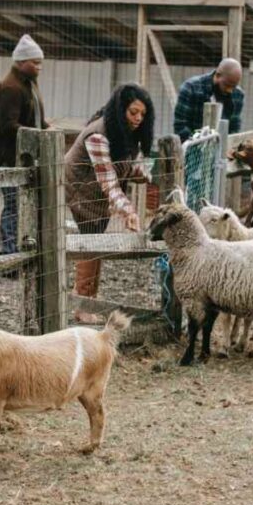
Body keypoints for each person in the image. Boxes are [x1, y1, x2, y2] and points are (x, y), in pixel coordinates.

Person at [64, 83, 154, 324]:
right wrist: (128, 211)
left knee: (96, 243)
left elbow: (122, 164)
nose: (138, 119)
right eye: (133, 112)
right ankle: (82, 306)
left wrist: (140, 173)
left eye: (143, 114)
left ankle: (89, 299)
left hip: (97, 193)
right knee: (91, 243)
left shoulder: (124, 132)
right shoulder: (98, 135)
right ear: (120, 109)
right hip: (81, 190)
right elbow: (109, 181)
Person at [0, 34, 46, 255]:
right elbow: (8, 125)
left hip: (23, 156)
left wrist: (46, 128)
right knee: (13, 204)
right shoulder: (11, 88)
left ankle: (18, 248)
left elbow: (33, 118)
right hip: (10, 157)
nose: (39, 67)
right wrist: (37, 134)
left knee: (22, 204)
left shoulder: (28, 85)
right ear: (22, 63)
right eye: (35, 63)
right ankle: (8, 252)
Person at [173, 57, 245, 141]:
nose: (230, 90)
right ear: (217, 75)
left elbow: (234, 128)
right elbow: (180, 126)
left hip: (223, 148)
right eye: (227, 85)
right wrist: (198, 145)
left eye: (234, 86)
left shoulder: (238, 94)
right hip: (192, 147)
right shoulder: (191, 88)